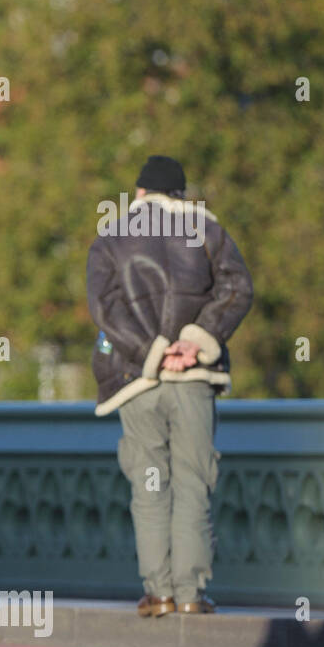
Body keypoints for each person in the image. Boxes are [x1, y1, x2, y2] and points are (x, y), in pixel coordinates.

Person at [87, 156, 253, 616]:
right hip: (194, 378)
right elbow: (238, 289)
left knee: (150, 483)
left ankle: (158, 592)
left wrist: (154, 351)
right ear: (180, 194)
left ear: (140, 192)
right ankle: (191, 594)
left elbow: (105, 311)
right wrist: (194, 343)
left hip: (137, 380)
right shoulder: (206, 229)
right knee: (195, 481)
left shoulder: (111, 237)